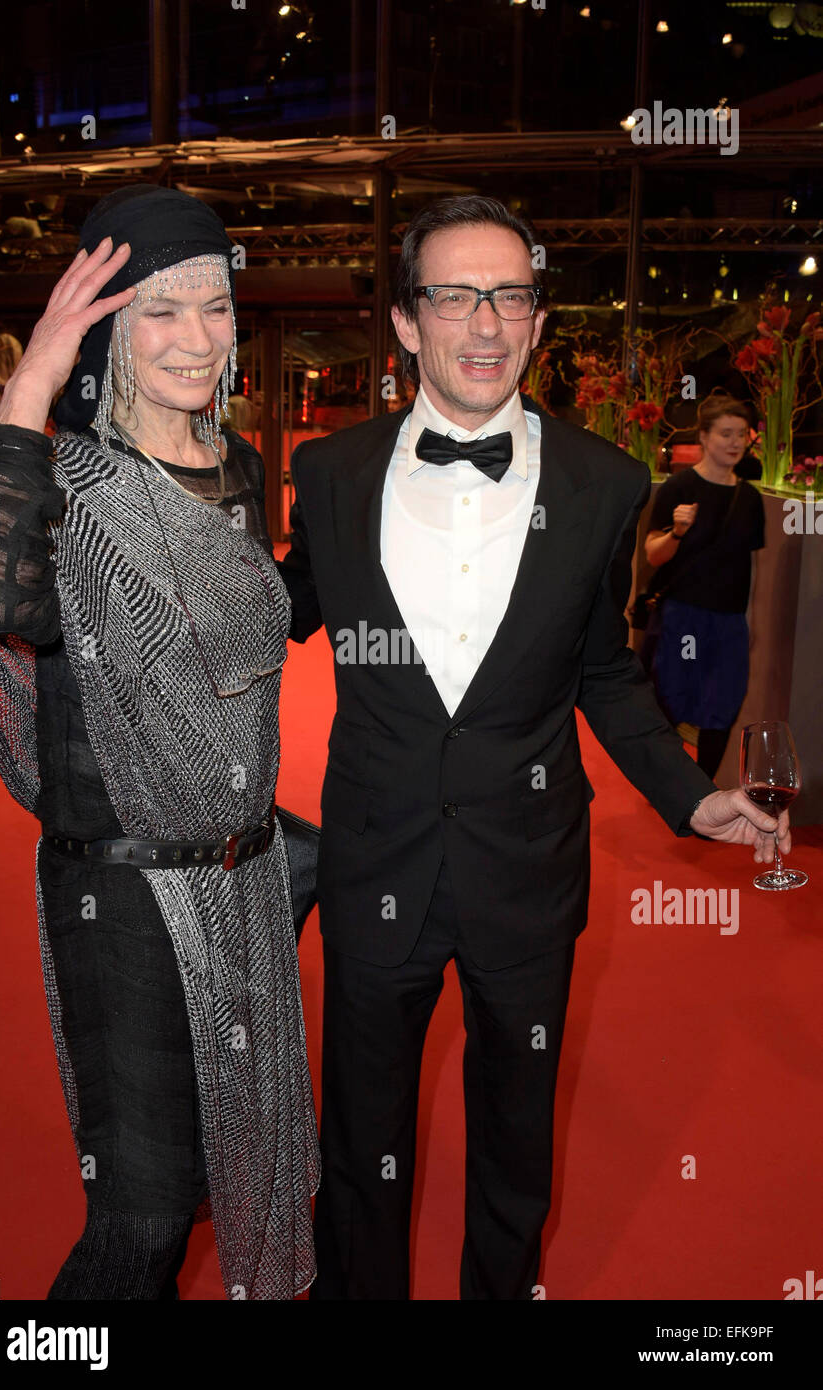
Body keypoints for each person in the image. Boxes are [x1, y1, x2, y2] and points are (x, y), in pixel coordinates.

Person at [278, 195, 790, 1301]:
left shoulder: (604, 485)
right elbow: (276, 608)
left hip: (527, 869)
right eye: (453, 294)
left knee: (514, 1150)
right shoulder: (329, 473)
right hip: (376, 860)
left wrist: (687, 795)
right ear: (407, 322)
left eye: (509, 295)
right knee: (359, 1145)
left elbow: (601, 666)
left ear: (537, 320)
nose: (483, 322)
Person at [0, 185, 319, 1300]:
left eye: (214, 307)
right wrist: (28, 380)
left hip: (242, 881)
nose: (198, 339)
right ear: (104, 330)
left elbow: (256, 615)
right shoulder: (64, 487)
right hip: (119, 903)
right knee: (145, 1215)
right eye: (159, 311)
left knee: (231, 1170)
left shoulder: (239, 474)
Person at [643, 394, 765, 779]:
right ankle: (667, 782)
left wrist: (752, 617)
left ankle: (701, 789)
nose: (734, 442)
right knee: (672, 700)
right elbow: (653, 555)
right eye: (725, 434)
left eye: (741, 435)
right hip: (684, 616)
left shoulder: (749, 497)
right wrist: (678, 531)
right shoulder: (679, 487)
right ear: (704, 437)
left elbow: (753, 563)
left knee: (723, 704)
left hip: (729, 621)